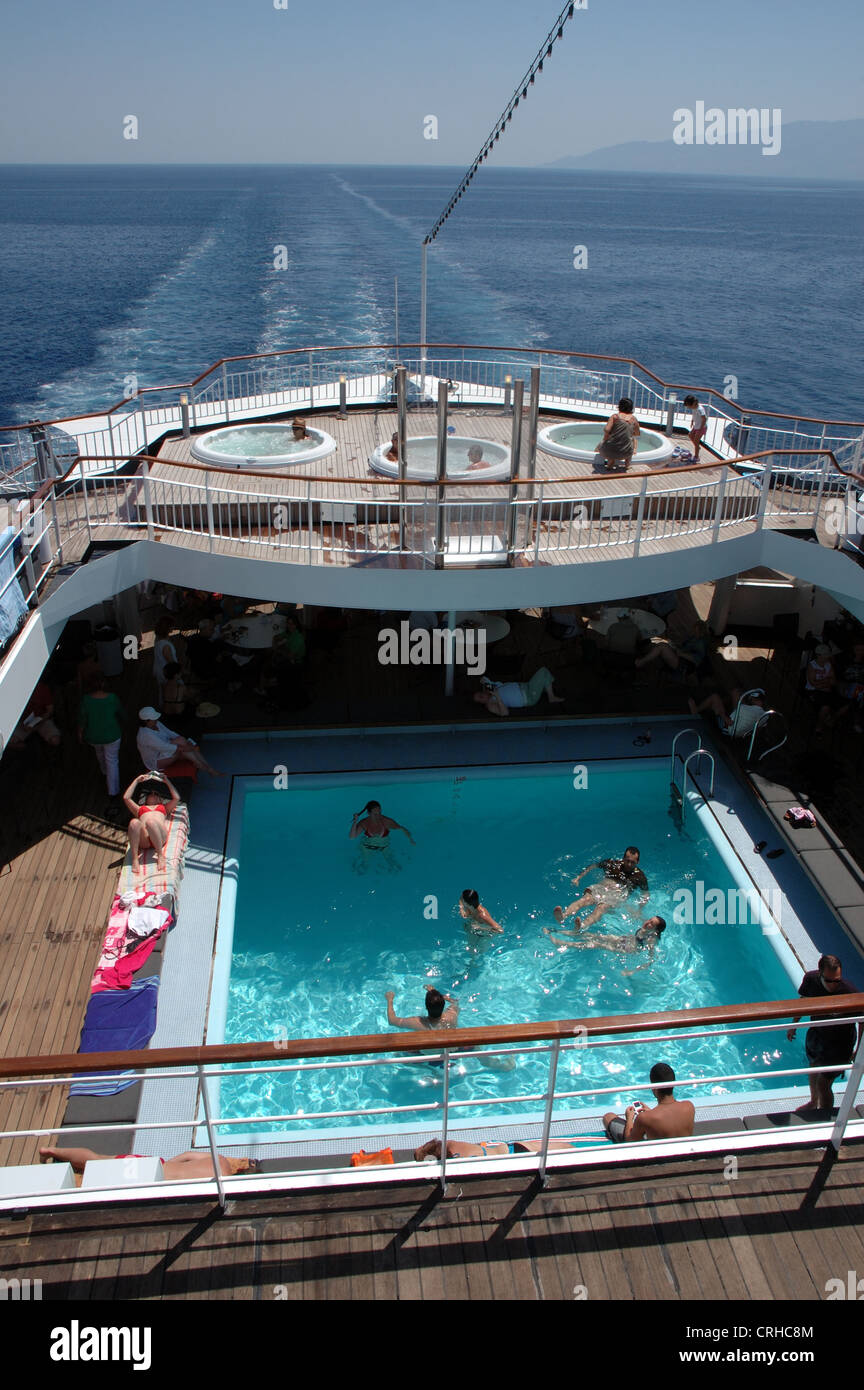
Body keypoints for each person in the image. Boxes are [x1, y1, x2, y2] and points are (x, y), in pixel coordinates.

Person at [787, 955, 863, 1113]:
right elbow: (803, 1002)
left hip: (840, 1045)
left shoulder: (849, 992)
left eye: (837, 980)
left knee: (824, 1083)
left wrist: (858, 1049)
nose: (834, 985)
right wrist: (793, 1025)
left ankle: (824, 1116)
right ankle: (813, 1102)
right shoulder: (811, 980)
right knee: (813, 1068)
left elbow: (862, 1021)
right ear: (820, 974)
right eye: (829, 981)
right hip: (818, 1034)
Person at [553, 846, 649, 930]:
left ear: (637, 861)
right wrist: (578, 878)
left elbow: (645, 894)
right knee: (585, 899)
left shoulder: (639, 876)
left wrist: (639, 910)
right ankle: (563, 915)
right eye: (627, 861)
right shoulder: (613, 864)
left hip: (617, 895)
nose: (629, 864)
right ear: (623, 858)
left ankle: (581, 926)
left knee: (601, 908)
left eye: (632, 862)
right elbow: (593, 866)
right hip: (602, 887)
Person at [39, 1145, 259, 1181]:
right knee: (98, 1183)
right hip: (153, 1182)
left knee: (95, 1159)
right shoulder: (219, 1184)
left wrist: (163, 1164)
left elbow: (186, 1154)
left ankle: (52, 1150)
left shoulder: (219, 1160)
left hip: (155, 1166)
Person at [602, 1062, 695, 1143]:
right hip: (683, 1153)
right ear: (673, 1084)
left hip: (659, 1158)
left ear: (654, 1088)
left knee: (608, 1117)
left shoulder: (644, 1118)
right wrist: (651, 1112)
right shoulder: (689, 1107)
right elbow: (670, 1122)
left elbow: (629, 1142)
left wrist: (629, 1119)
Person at [77, 673, 123, 804]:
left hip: (93, 736)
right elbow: (120, 713)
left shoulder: (86, 700)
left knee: (99, 753)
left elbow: (81, 719)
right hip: (112, 734)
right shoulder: (112, 698)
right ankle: (113, 791)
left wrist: (80, 733)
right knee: (112, 761)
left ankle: (104, 772)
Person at [136, 706, 222, 776]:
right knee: (186, 748)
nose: (156, 720)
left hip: (167, 749)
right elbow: (164, 747)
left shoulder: (157, 724)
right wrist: (185, 747)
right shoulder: (145, 735)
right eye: (153, 719)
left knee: (185, 743)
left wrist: (186, 742)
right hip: (156, 761)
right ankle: (206, 768)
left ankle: (207, 767)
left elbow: (170, 733)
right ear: (146, 721)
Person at [123, 772, 180, 875]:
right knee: (134, 823)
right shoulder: (140, 809)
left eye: (156, 793)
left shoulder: (164, 808)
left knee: (150, 822)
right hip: (145, 839)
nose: (153, 793)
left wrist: (167, 781)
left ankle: (160, 855)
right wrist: (136, 780)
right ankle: (135, 859)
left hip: (159, 836)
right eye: (150, 793)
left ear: (160, 799)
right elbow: (126, 798)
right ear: (145, 799)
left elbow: (176, 798)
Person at [546, 915, 666, 955]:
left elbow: (651, 953)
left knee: (596, 943)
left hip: (627, 948)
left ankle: (562, 943)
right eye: (650, 920)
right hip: (627, 939)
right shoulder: (646, 928)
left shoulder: (652, 938)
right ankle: (557, 931)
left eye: (652, 924)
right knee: (594, 935)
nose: (648, 922)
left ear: (656, 930)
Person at [472, 667, 565, 717]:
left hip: (526, 685)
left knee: (543, 679)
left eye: (480, 693)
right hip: (528, 696)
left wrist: (484, 681)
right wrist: (497, 696)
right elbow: (505, 713)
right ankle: (551, 697)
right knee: (543, 671)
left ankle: (547, 688)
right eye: (480, 697)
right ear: (483, 703)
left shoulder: (490, 689)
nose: (482, 694)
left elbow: (484, 678)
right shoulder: (491, 704)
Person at [414, 1137, 590, 1161]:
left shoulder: (458, 1158)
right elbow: (420, 1150)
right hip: (513, 1148)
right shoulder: (450, 1144)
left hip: (515, 1155)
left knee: (571, 1151)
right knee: (570, 1149)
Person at [635, 622, 709, 679]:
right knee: (655, 645)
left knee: (662, 646)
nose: (693, 631)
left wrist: (680, 653)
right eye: (693, 629)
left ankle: (641, 662)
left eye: (695, 631)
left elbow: (695, 660)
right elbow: (684, 646)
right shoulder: (694, 637)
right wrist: (674, 644)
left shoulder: (700, 644)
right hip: (680, 656)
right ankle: (643, 658)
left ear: (701, 632)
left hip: (684, 666)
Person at [688, 687, 766, 740]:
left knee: (715, 697)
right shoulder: (765, 715)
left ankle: (696, 710)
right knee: (735, 693)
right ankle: (727, 698)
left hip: (727, 730)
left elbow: (730, 723)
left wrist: (721, 714)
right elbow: (758, 731)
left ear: (752, 698)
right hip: (743, 735)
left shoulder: (743, 708)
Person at [9, 680, 61, 750]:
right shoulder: (17, 689)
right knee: (9, 741)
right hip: (24, 723)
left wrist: (37, 723)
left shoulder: (42, 688)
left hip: (42, 719)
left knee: (55, 740)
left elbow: (50, 710)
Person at [385, 987, 459, 1032]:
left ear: (426, 1007)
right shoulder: (452, 1016)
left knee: (397, 1054)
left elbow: (392, 1021)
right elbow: (455, 1002)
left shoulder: (418, 1023)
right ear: (443, 1005)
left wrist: (390, 999)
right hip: (449, 1050)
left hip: (428, 1053)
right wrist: (435, 993)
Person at [804, 643, 838, 734]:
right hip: (813, 691)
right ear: (818, 655)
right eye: (825, 655)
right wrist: (827, 681)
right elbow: (813, 684)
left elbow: (834, 682)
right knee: (825, 706)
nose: (827, 657)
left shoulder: (828, 665)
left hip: (825, 691)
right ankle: (820, 725)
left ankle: (828, 719)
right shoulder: (812, 666)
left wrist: (823, 683)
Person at [597, 397, 640, 471]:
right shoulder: (634, 419)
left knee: (602, 444)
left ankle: (610, 464)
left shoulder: (615, 417)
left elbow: (607, 430)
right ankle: (627, 465)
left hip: (609, 451)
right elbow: (637, 433)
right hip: (626, 453)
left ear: (619, 406)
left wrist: (605, 439)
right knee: (632, 440)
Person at [350, 799, 415, 848]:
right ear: (369, 813)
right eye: (375, 814)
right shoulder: (364, 823)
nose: (378, 816)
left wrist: (410, 839)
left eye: (379, 813)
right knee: (363, 865)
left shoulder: (386, 821)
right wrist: (355, 821)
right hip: (367, 847)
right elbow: (352, 837)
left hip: (384, 847)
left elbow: (402, 828)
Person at [151, 617, 180, 699]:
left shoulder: (158, 638)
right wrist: (179, 671)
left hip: (160, 668)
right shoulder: (166, 646)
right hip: (166, 672)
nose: (173, 627)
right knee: (169, 692)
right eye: (172, 626)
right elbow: (171, 662)